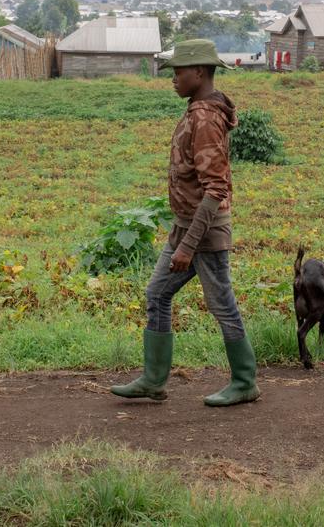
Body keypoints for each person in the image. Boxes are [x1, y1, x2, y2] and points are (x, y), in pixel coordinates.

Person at [111, 39, 260, 407]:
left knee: (221, 304)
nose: (173, 79)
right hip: (187, 226)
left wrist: (188, 245)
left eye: (178, 72)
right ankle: (153, 381)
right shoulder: (198, 110)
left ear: (200, 72)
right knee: (157, 294)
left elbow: (215, 188)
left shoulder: (206, 119)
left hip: (204, 231)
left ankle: (244, 382)